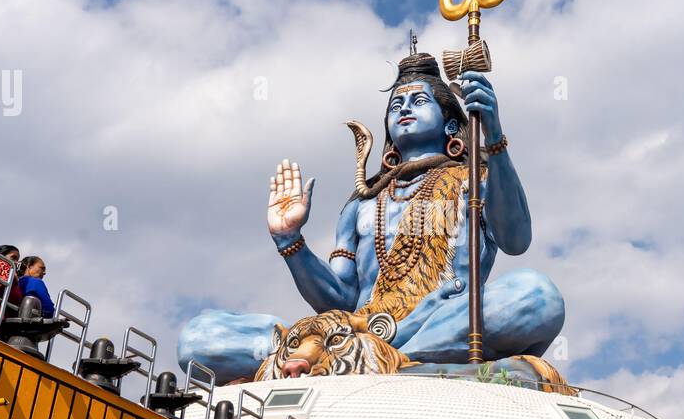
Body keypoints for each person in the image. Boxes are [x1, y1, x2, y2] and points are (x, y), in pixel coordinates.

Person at [179, 51, 565, 381]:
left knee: (537, 296)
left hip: (440, 322)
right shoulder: (363, 204)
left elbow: (516, 241)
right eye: (395, 106)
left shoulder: (477, 179)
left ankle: (397, 359)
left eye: (418, 102)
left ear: (451, 124)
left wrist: (492, 137)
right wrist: (290, 240)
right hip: (351, 335)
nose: (404, 111)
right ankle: (385, 360)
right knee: (199, 337)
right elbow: (339, 299)